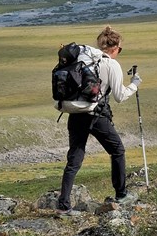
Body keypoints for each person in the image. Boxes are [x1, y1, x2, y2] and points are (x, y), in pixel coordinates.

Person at [57, 25, 142, 211]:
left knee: (74, 159)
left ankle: (63, 205)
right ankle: (121, 194)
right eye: (120, 49)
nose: (119, 52)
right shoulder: (111, 64)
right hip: (95, 115)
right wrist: (134, 85)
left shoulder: (83, 59)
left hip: (75, 113)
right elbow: (119, 96)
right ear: (115, 48)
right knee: (117, 150)